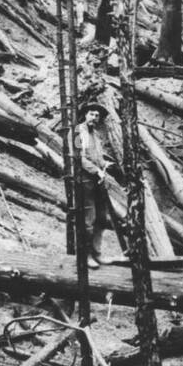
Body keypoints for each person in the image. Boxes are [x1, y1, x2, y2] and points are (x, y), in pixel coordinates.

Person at [76, 101, 114, 267]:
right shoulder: (77, 132)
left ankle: (97, 253)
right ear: (85, 114)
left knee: (101, 218)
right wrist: (95, 170)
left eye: (97, 115)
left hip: (98, 180)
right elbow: (79, 157)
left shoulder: (96, 134)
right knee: (88, 220)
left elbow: (98, 156)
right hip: (85, 180)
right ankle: (86, 256)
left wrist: (105, 165)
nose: (95, 118)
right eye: (92, 114)